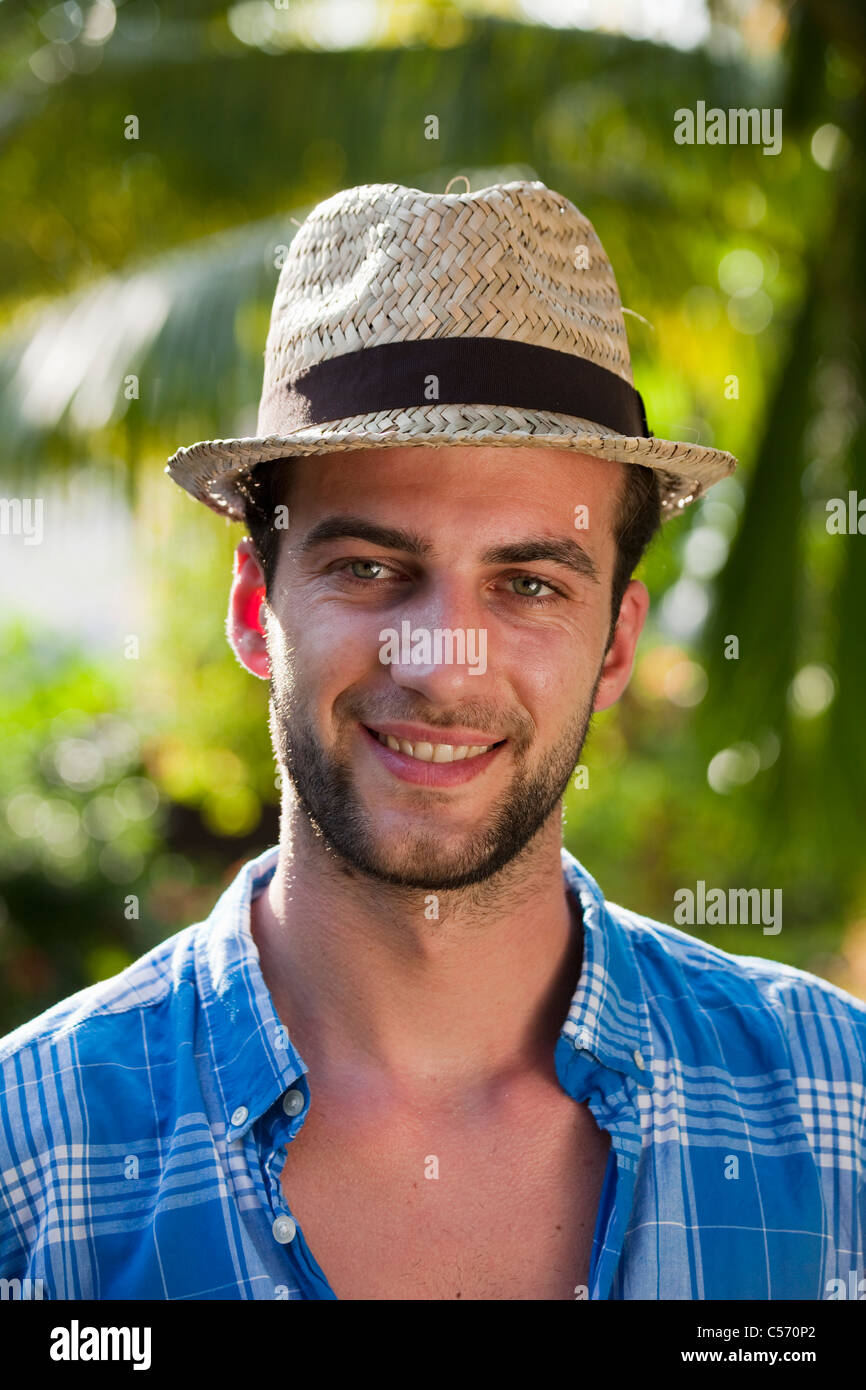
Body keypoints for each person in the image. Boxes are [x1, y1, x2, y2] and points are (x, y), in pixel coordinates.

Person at [1, 181, 863, 1302]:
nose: (441, 658)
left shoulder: (833, 1115)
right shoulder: (32, 1165)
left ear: (613, 646)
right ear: (256, 609)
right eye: (368, 568)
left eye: (527, 583)